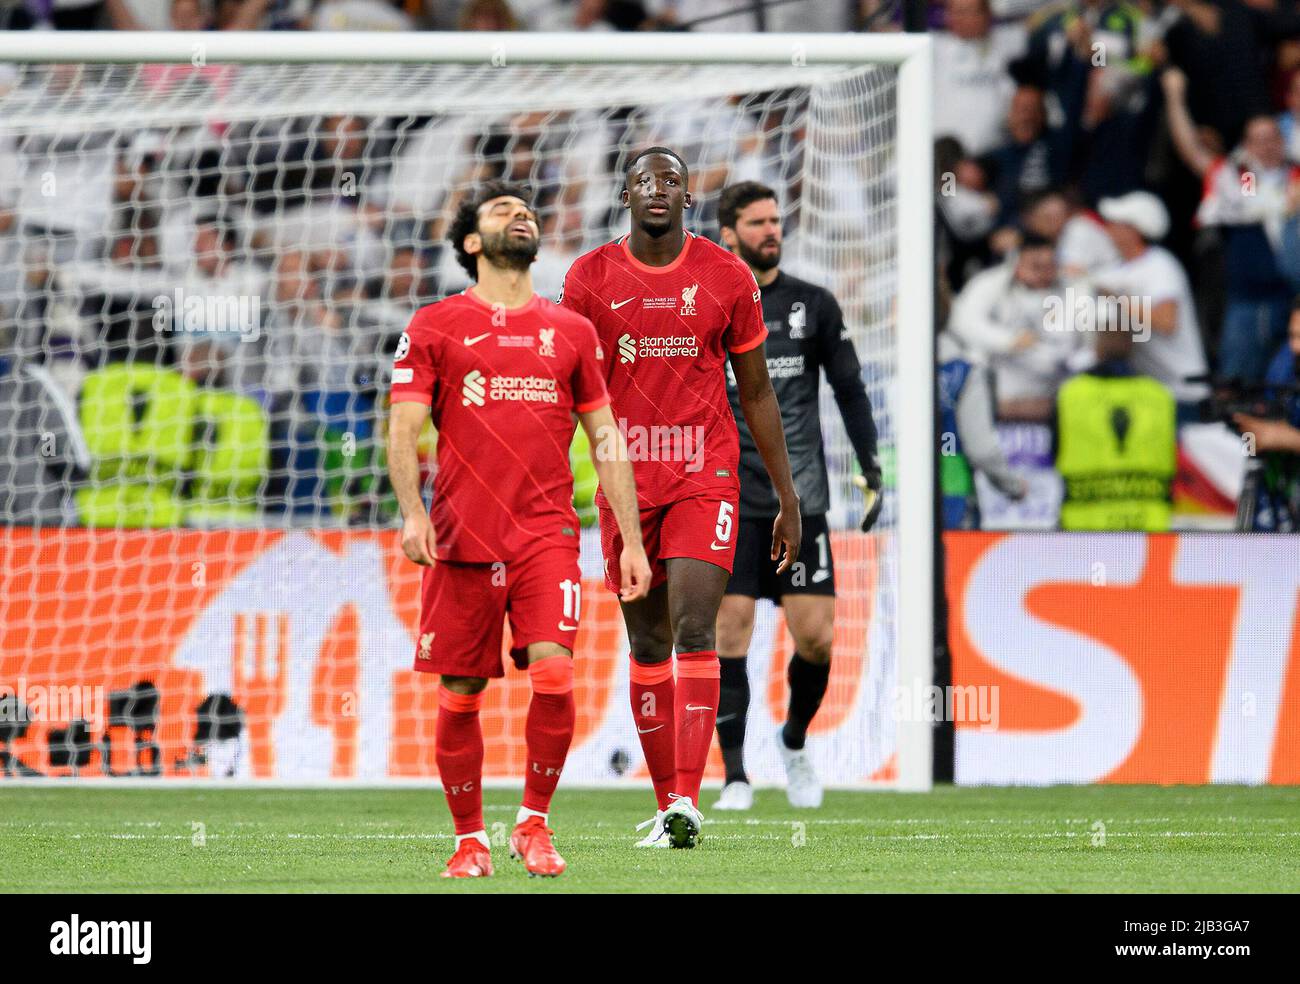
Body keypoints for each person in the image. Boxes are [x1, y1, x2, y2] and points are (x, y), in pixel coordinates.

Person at [387, 180, 650, 878]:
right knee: (461, 692)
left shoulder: (572, 332)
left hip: (546, 536)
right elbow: (403, 427)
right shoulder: (435, 325)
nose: (521, 215)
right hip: (461, 536)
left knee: (556, 675)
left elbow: (608, 439)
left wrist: (630, 538)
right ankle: (469, 839)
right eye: (502, 211)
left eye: (527, 209)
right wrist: (412, 512)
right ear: (472, 243)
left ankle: (533, 824)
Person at [559, 148, 801, 848]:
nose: (658, 189)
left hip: (705, 473)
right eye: (645, 180)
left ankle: (689, 802)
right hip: (625, 483)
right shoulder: (589, 279)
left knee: (695, 629)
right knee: (649, 639)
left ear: (688, 198)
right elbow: (572, 392)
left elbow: (755, 391)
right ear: (625, 193)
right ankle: (668, 799)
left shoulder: (726, 276)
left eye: (671, 180)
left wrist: (786, 496)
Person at [705, 181, 881, 811]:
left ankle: (795, 741)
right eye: (756, 223)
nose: (770, 231)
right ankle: (733, 777)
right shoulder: (710, 305)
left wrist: (872, 465)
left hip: (798, 497)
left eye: (776, 220)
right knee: (731, 626)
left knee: (817, 638)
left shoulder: (814, 304)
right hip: (727, 496)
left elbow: (849, 389)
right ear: (728, 233)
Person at [1094, 190, 1209, 412]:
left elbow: (1166, 321)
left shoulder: (1160, 265)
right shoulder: (1113, 269)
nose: (1107, 227)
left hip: (1183, 394)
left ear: (1133, 230)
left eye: (1115, 223)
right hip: (1149, 394)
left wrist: (1117, 300)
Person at [1054, 325, 1177, 531]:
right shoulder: (1160, 395)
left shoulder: (1071, 394)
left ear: (1097, 348)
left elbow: (1053, 449)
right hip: (1149, 526)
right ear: (1132, 348)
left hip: (1084, 526)